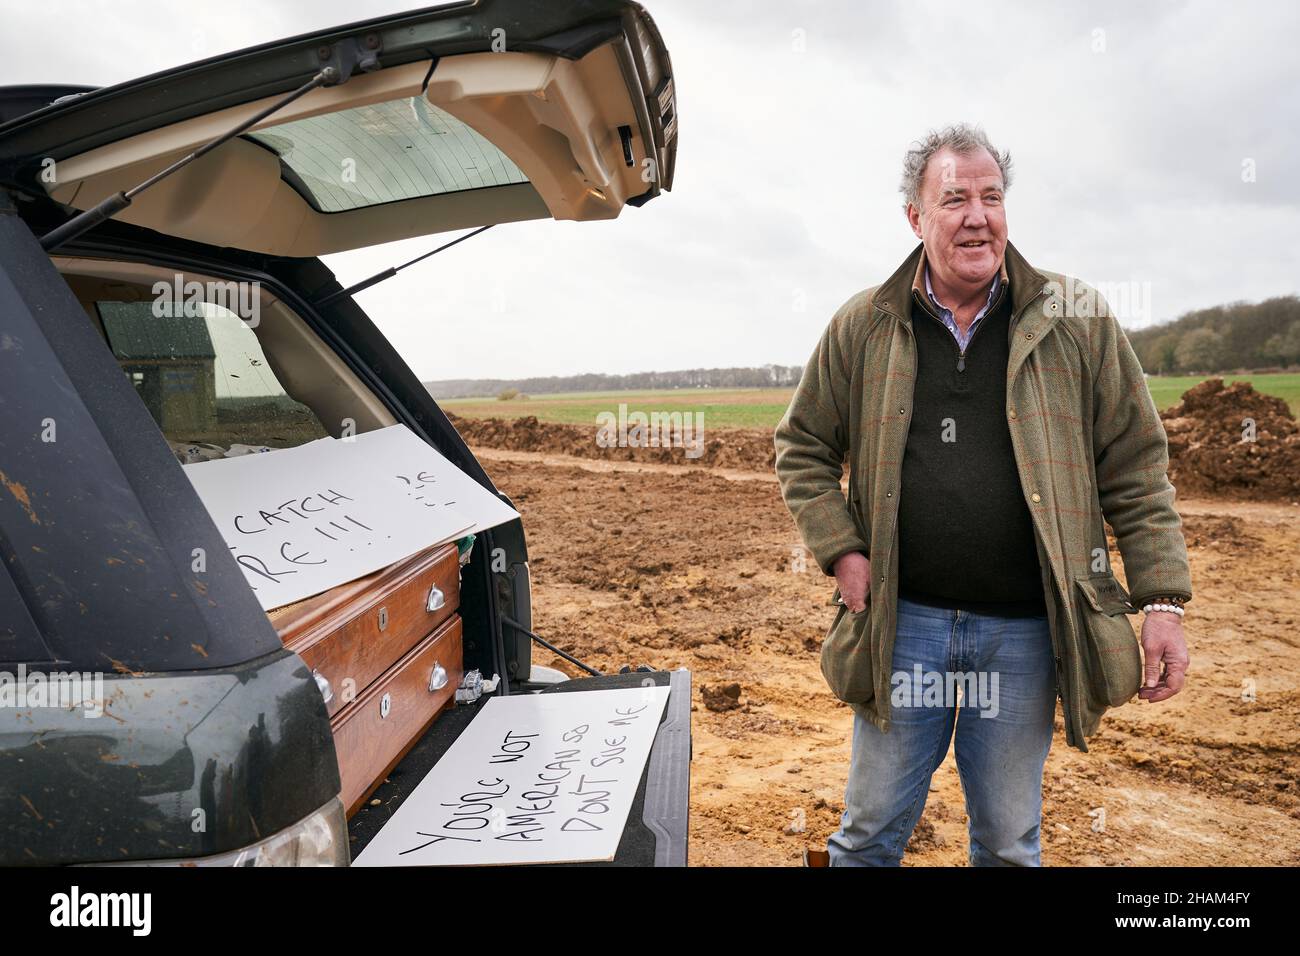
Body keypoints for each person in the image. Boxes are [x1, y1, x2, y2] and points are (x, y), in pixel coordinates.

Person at [773, 124, 1193, 866]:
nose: (978, 216)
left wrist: (1162, 601)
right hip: (905, 624)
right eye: (956, 198)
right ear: (915, 217)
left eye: (992, 197)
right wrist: (840, 547)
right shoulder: (866, 324)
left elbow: (1137, 467)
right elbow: (801, 446)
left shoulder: (1078, 320)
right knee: (869, 832)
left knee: (1007, 840)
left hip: (1025, 631)